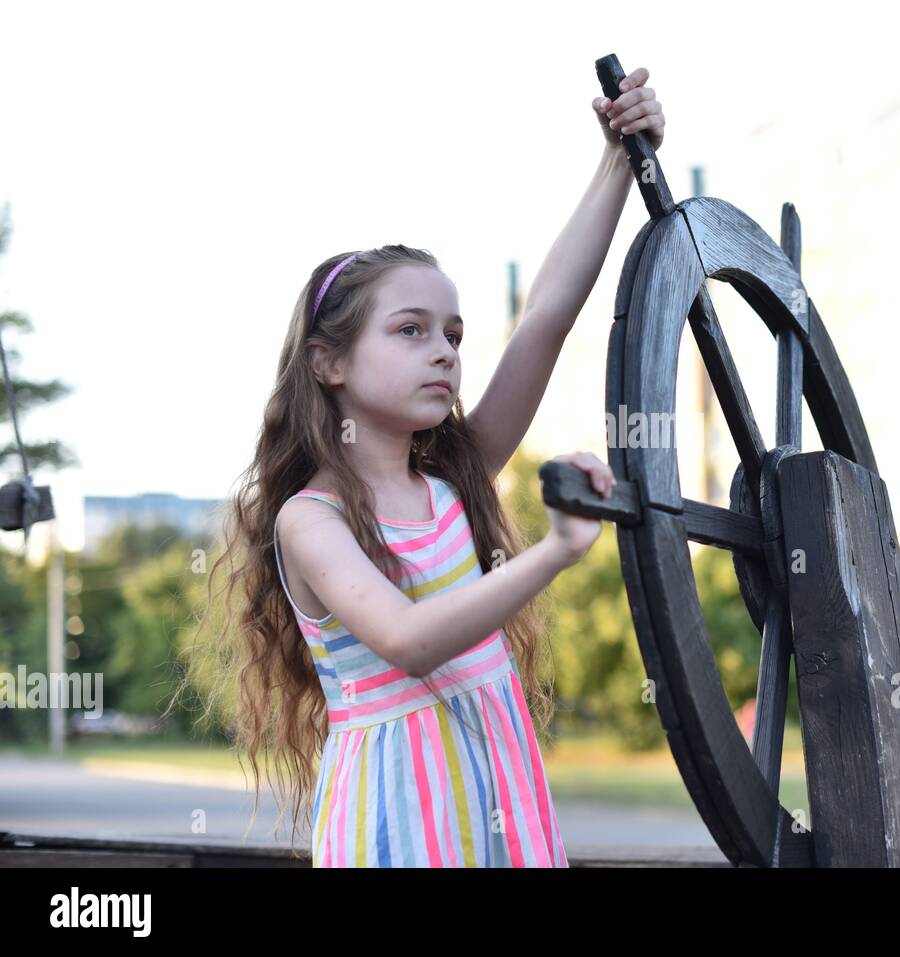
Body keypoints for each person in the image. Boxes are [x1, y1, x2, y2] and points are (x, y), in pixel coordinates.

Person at [173, 68, 666, 866]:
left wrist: (615, 158)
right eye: (410, 330)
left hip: (501, 813)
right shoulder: (310, 520)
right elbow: (406, 640)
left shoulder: (454, 477)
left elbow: (546, 316)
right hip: (395, 827)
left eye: (454, 334)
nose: (443, 350)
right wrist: (554, 550)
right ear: (329, 362)